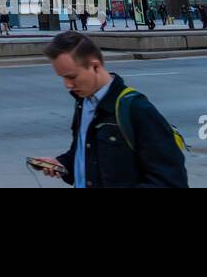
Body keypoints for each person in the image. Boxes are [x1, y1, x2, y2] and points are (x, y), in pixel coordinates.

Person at [31, 31, 188, 188]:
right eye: (62, 78)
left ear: (95, 66)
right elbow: (88, 154)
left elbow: (171, 180)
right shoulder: (83, 103)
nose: (67, 85)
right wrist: (62, 163)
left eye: (72, 77)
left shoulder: (136, 108)